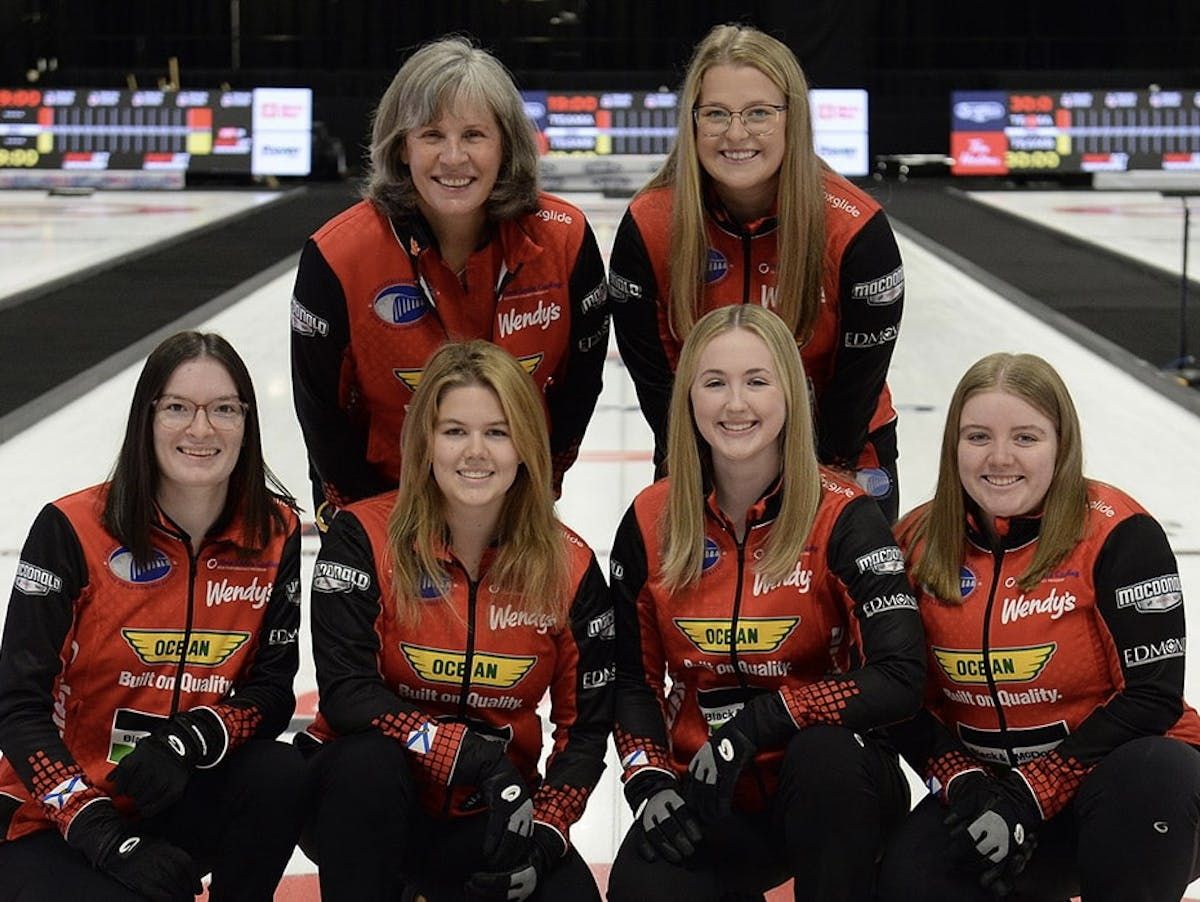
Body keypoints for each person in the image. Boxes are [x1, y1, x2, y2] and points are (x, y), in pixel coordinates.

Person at [608, 305, 924, 902]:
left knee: (824, 757)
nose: (735, 404)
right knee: (641, 888)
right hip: (711, 784)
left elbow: (901, 675)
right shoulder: (652, 518)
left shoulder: (844, 515)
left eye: (757, 381)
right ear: (688, 398)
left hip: (834, 787)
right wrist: (647, 780)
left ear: (791, 394)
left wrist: (768, 718)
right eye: (715, 382)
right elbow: (632, 681)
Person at [878, 352, 1200, 901]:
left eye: (1025, 438)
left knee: (1156, 769)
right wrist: (966, 783)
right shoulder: (914, 544)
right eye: (978, 436)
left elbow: (1153, 697)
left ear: (1061, 444)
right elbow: (900, 697)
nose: (1000, 458)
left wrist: (1033, 792)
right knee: (908, 881)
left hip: (1129, 798)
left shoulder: (1119, 533)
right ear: (952, 444)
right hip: (996, 801)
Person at [301, 340, 612, 901]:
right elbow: (348, 693)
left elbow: (584, 731)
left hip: (487, 812)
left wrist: (547, 831)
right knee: (364, 767)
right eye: (454, 432)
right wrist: (463, 753)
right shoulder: (363, 537)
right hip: (365, 805)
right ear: (425, 442)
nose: (476, 452)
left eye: (497, 432)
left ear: (526, 446)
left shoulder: (570, 566)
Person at [0, 331, 306, 901]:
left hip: (177, 787)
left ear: (247, 422)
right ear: (147, 419)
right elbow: (18, 708)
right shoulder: (71, 531)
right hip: (58, 814)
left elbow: (271, 690)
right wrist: (99, 832)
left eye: (223, 409)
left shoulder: (276, 534)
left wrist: (190, 739)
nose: (201, 429)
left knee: (281, 774)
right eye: (177, 408)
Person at [291, 35, 609, 524]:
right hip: (383, 509)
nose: (454, 157)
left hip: (516, 511)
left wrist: (540, 489)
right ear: (401, 148)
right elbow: (322, 415)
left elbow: (579, 387)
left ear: (507, 145)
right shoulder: (337, 256)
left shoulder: (564, 242)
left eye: (475, 135)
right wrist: (364, 528)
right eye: (432, 135)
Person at [608, 23, 904, 520]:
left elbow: (855, 390)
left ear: (793, 119)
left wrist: (816, 492)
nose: (737, 133)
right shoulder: (650, 226)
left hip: (841, 444)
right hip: (704, 447)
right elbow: (658, 389)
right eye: (717, 114)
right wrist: (705, 470)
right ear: (693, 121)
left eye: (760, 113)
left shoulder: (855, 230)